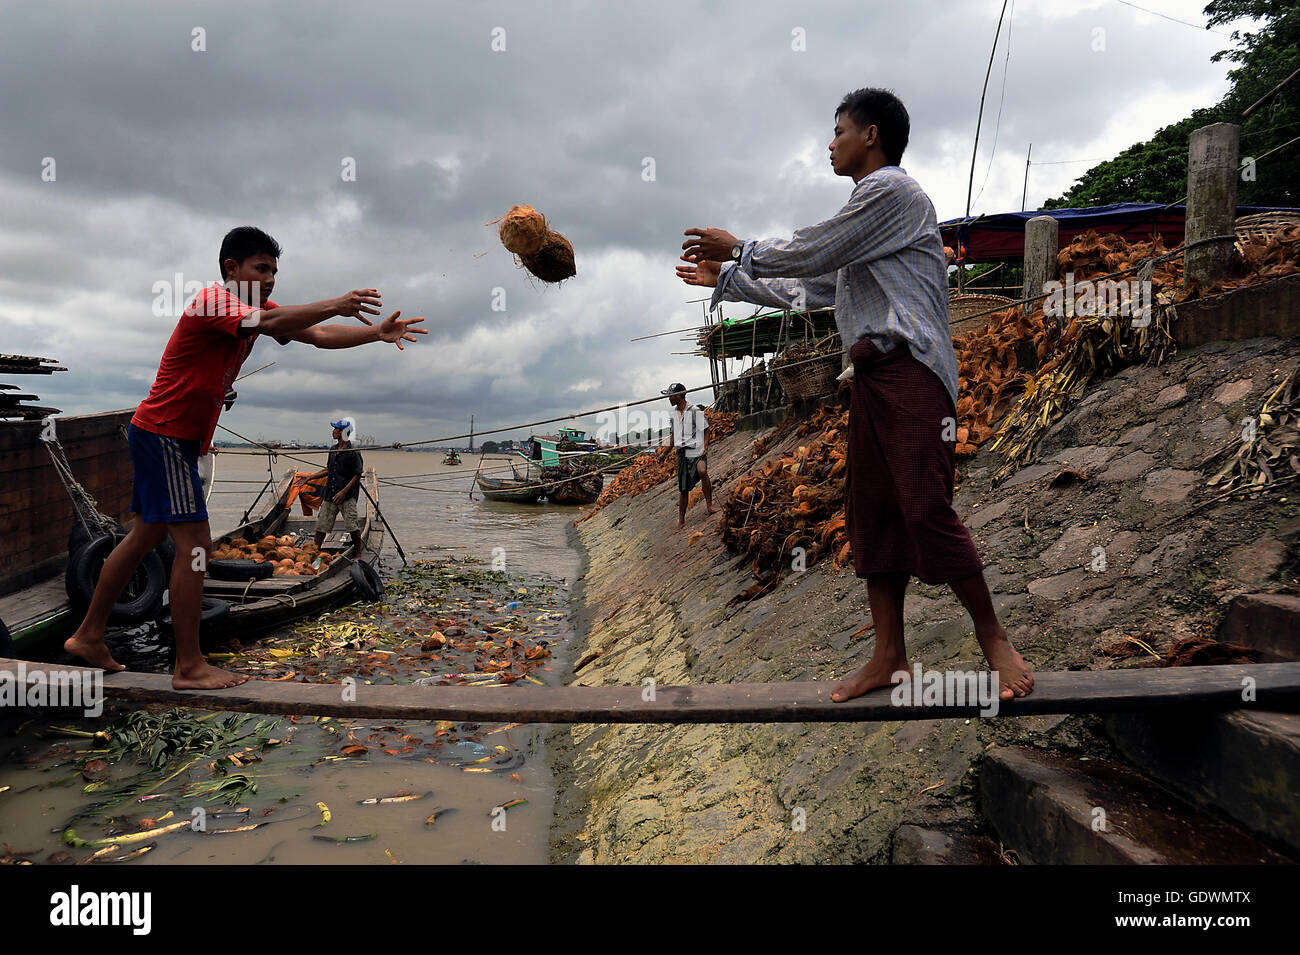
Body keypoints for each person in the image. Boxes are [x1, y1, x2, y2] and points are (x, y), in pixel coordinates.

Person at [677, 87, 1032, 703]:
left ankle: (994, 639)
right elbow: (809, 289)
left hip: (913, 372)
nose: (831, 142)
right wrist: (730, 278)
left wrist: (741, 250)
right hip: (869, 380)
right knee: (874, 514)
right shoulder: (864, 223)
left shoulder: (892, 192)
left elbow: (812, 247)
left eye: (839, 130)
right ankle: (890, 655)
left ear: (871, 134)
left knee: (925, 507)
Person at [64, 226, 426, 689]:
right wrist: (337, 300)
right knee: (195, 546)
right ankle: (189, 666)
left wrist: (375, 333)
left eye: (275, 270)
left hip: (168, 436)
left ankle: (89, 635)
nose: (271, 278)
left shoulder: (259, 310)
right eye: (262, 268)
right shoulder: (213, 303)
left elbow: (314, 333)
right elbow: (277, 325)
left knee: (144, 539)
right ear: (231, 269)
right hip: (166, 434)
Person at [306, 418, 364, 554]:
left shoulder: (353, 451)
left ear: (343, 432)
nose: (333, 431)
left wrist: (343, 492)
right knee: (321, 525)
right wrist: (310, 477)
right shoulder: (333, 449)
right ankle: (315, 552)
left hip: (347, 496)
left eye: (336, 429)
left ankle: (358, 552)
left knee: (352, 526)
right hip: (330, 493)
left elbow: (357, 474)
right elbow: (328, 469)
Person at [662, 383, 714, 528]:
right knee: (683, 488)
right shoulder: (674, 415)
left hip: (696, 449)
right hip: (682, 452)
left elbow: (706, 429)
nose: (669, 399)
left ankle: (710, 506)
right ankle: (681, 520)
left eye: (671, 396)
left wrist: (705, 446)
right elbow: (673, 437)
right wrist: (663, 454)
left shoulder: (694, 411)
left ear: (679, 396)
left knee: (702, 471)